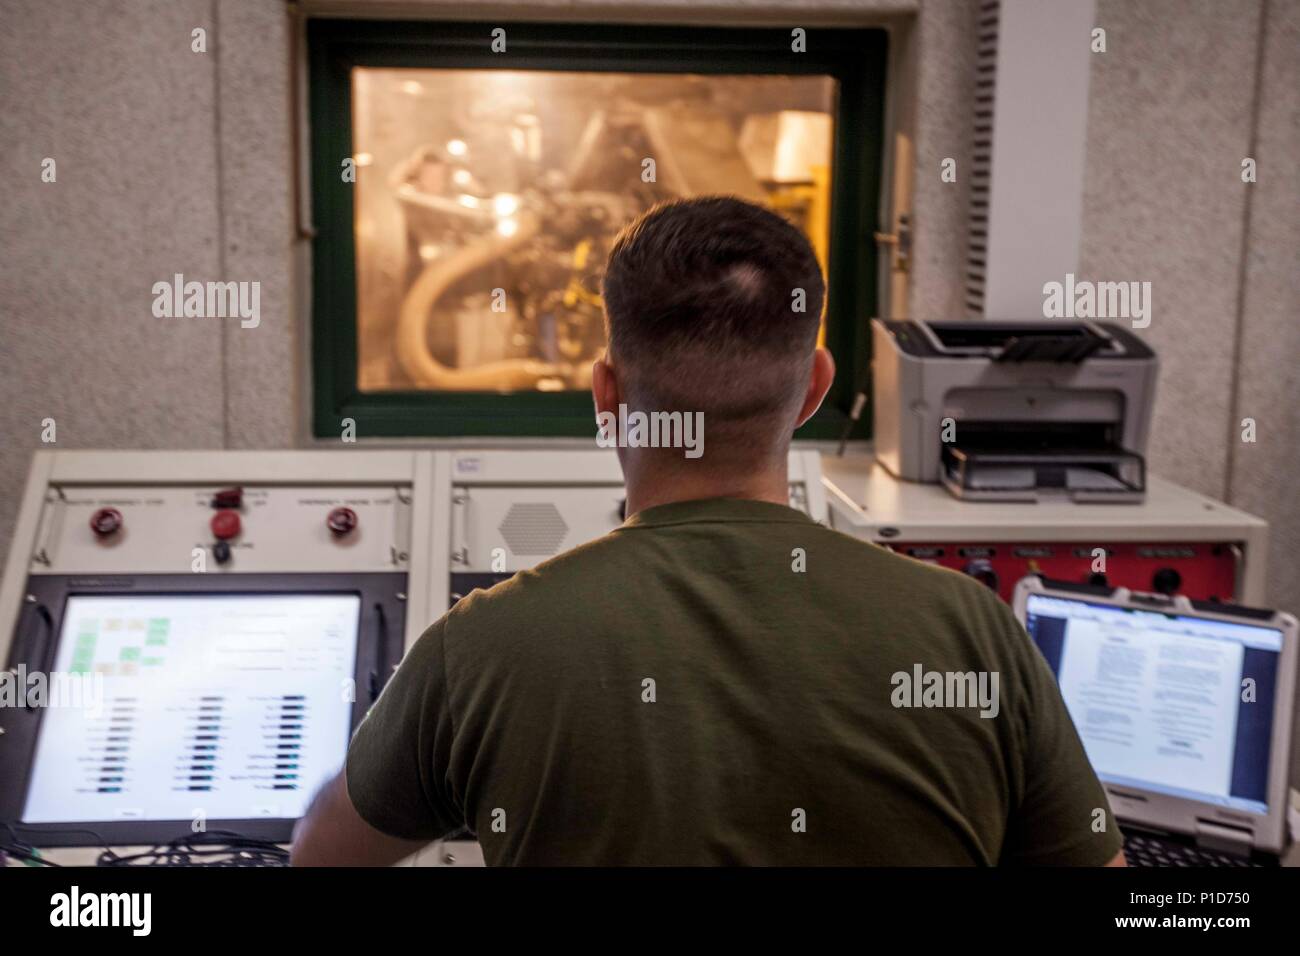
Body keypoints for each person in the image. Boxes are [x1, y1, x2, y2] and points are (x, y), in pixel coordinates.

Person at [291, 196, 1124, 866]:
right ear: (814, 389)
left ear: (606, 395)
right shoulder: (974, 629)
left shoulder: (481, 647)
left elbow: (321, 860)